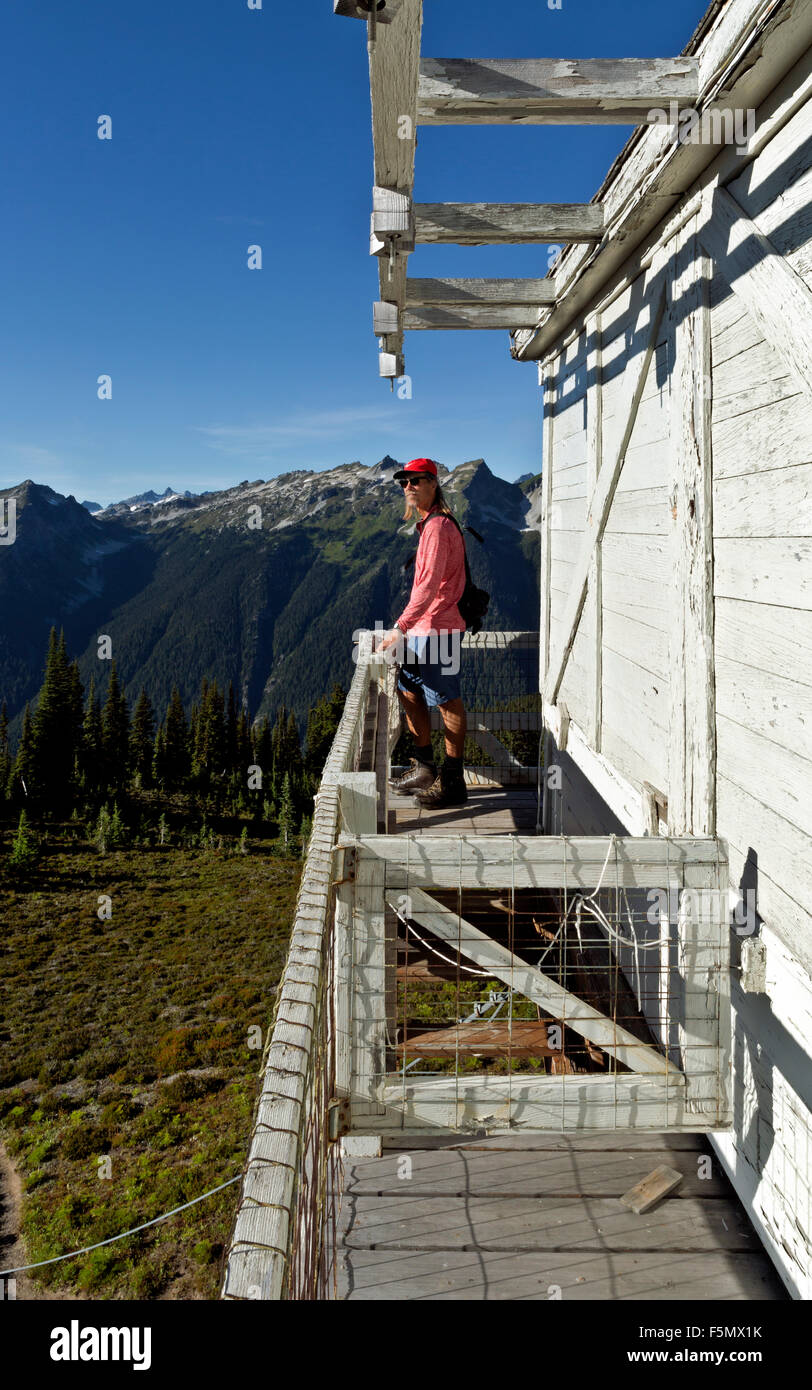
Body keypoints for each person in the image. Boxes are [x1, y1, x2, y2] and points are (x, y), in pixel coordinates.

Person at [374, 458, 468, 809]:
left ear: (432, 483)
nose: (408, 487)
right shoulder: (429, 526)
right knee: (409, 690)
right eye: (404, 482)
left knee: (446, 700)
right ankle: (425, 768)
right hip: (423, 629)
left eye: (416, 481)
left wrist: (399, 627)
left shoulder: (439, 527)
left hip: (439, 630)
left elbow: (427, 588)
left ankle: (453, 779)